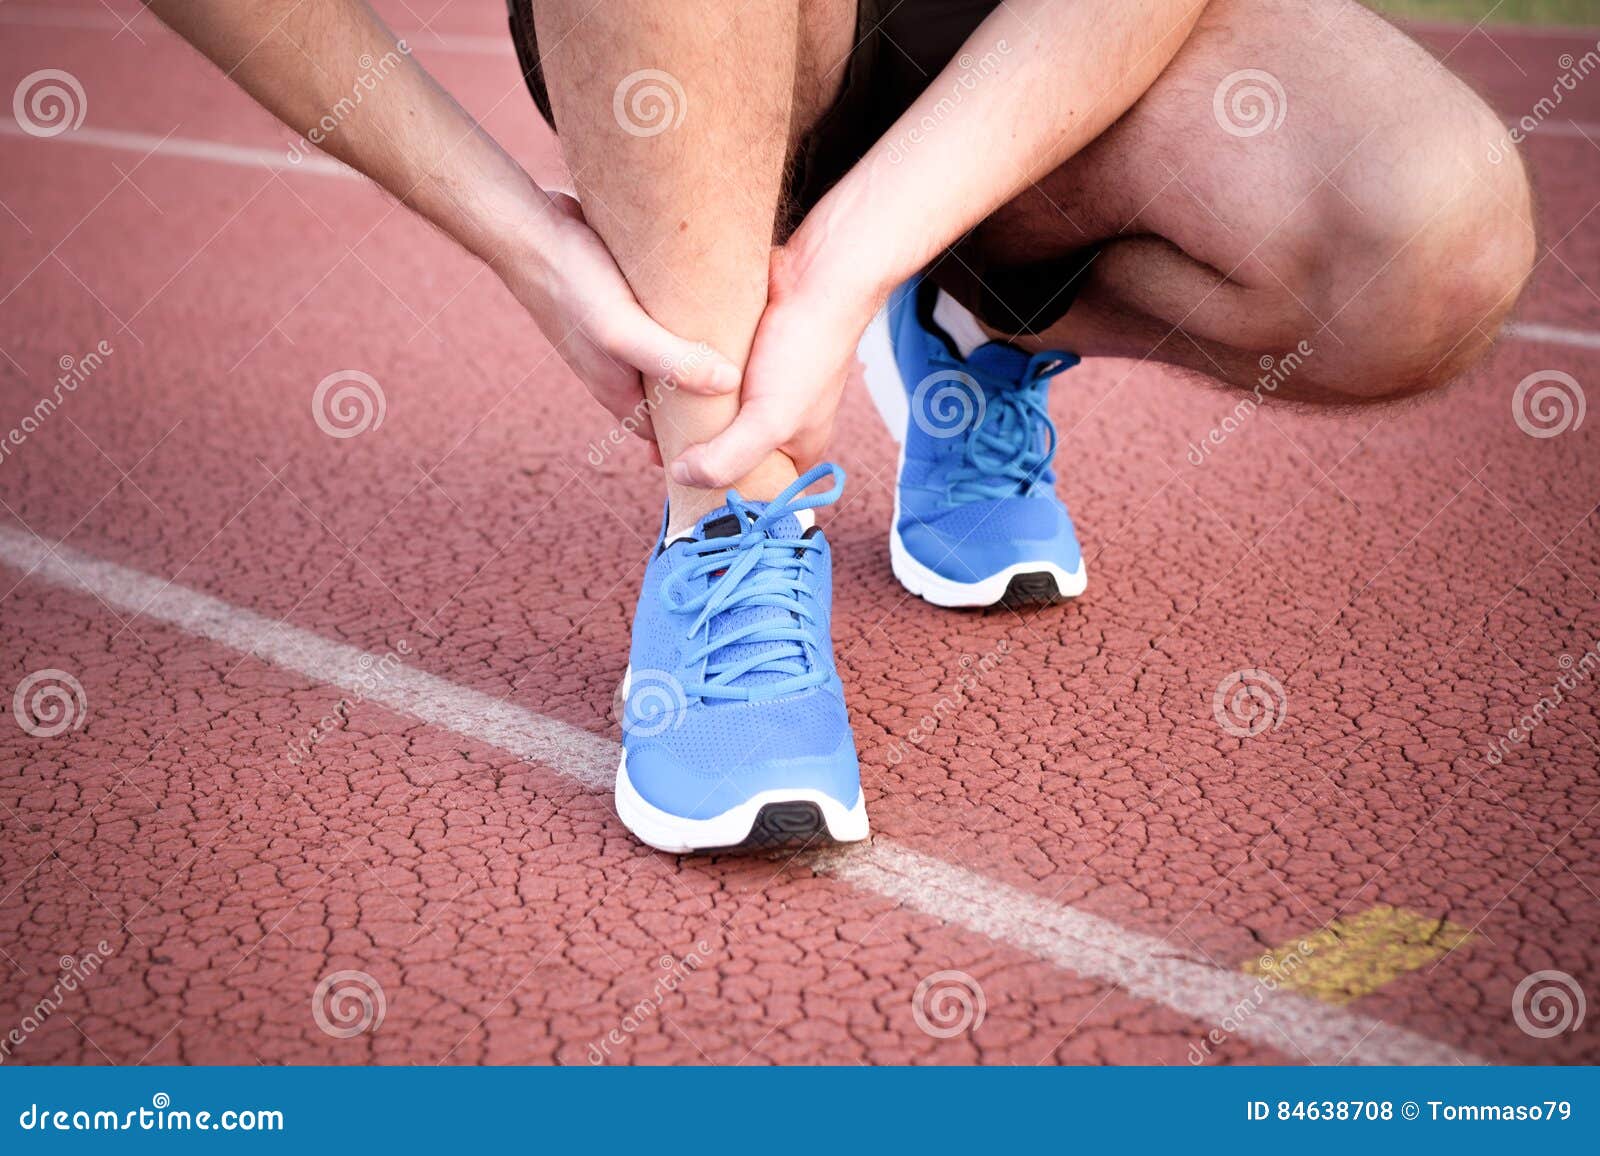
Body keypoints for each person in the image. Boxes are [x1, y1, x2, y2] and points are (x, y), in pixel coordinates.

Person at [153, 0, 1535, 852]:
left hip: (1024, 33)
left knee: (1434, 246)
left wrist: (850, 261)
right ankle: (731, 509)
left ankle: (972, 321)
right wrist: (518, 236)